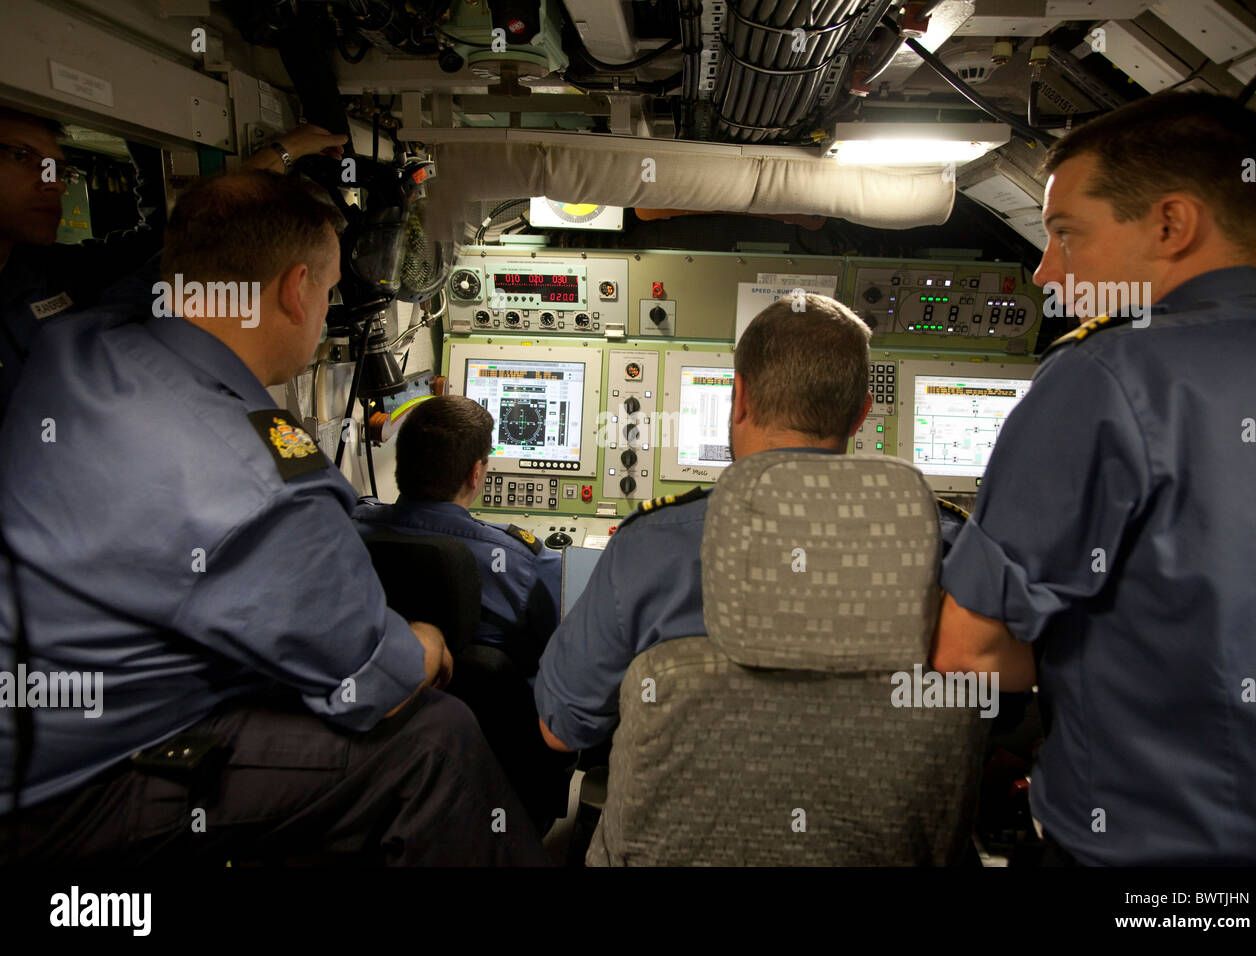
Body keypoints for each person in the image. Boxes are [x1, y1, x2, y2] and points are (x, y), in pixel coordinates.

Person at [0, 170, 548, 865]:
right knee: (436, 738)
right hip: (80, 791)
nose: (326, 309)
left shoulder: (77, 340)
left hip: (35, 739)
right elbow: (373, 683)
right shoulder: (269, 482)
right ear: (296, 291)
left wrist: (275, 165)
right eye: (327, 291)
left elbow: (187, 262)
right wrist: (425, 640)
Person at [931, 91, 1256, 866]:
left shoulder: (1104, 376)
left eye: (1065, 234)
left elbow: (970, 656)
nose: (1044, 269)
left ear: (1171, 224)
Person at [534, 294, 873, 753]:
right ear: (861, 415)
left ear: (739, 400)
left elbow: (562, 729)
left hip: (676, 823)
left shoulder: (649, 546)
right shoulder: (942, 547)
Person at [0, 104, 346, 422]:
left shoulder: (45, 271)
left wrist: (269, 166)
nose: (55, 184)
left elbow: (181, 243)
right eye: (21, 156)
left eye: (59, 169)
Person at [353, 395, 569, 831]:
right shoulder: (524, 562)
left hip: (370, 780)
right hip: (495, 778)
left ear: (401, 463)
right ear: (476, 473)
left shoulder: (349, 532)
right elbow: (560, 660)